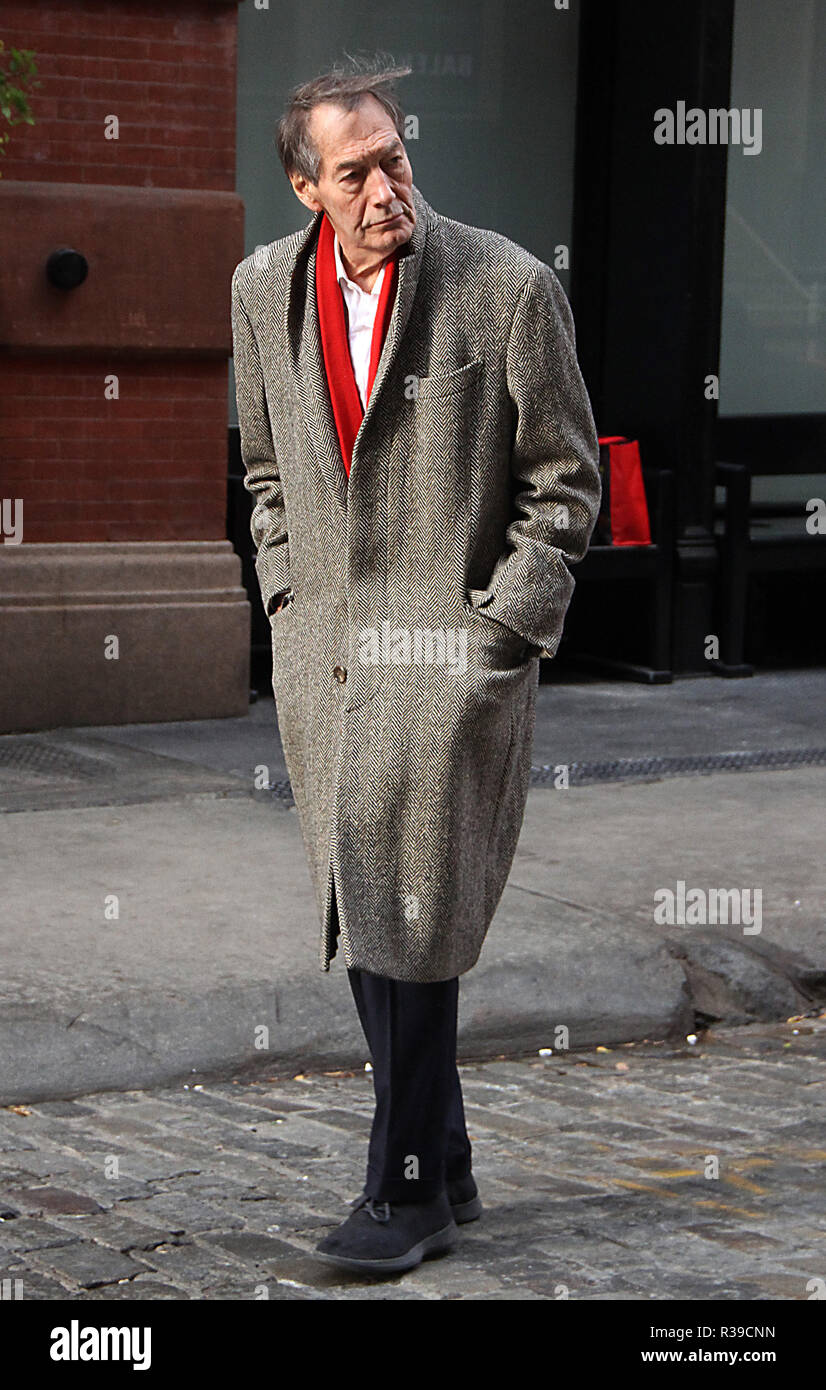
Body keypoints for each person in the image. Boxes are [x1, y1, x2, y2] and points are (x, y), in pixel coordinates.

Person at [231, 58, 601, 1277]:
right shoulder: (257, 293)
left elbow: (566, 483)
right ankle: (441, 1156)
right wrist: (284, 598)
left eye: (395, 156)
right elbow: (268, 474)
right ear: (305, 187)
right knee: (366, 912)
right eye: (356, 171)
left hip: (448, 661)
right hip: (326, 663)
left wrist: (497, 639)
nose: (387, 185)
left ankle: (402, 1195)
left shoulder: (504, 286)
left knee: (413, 918)